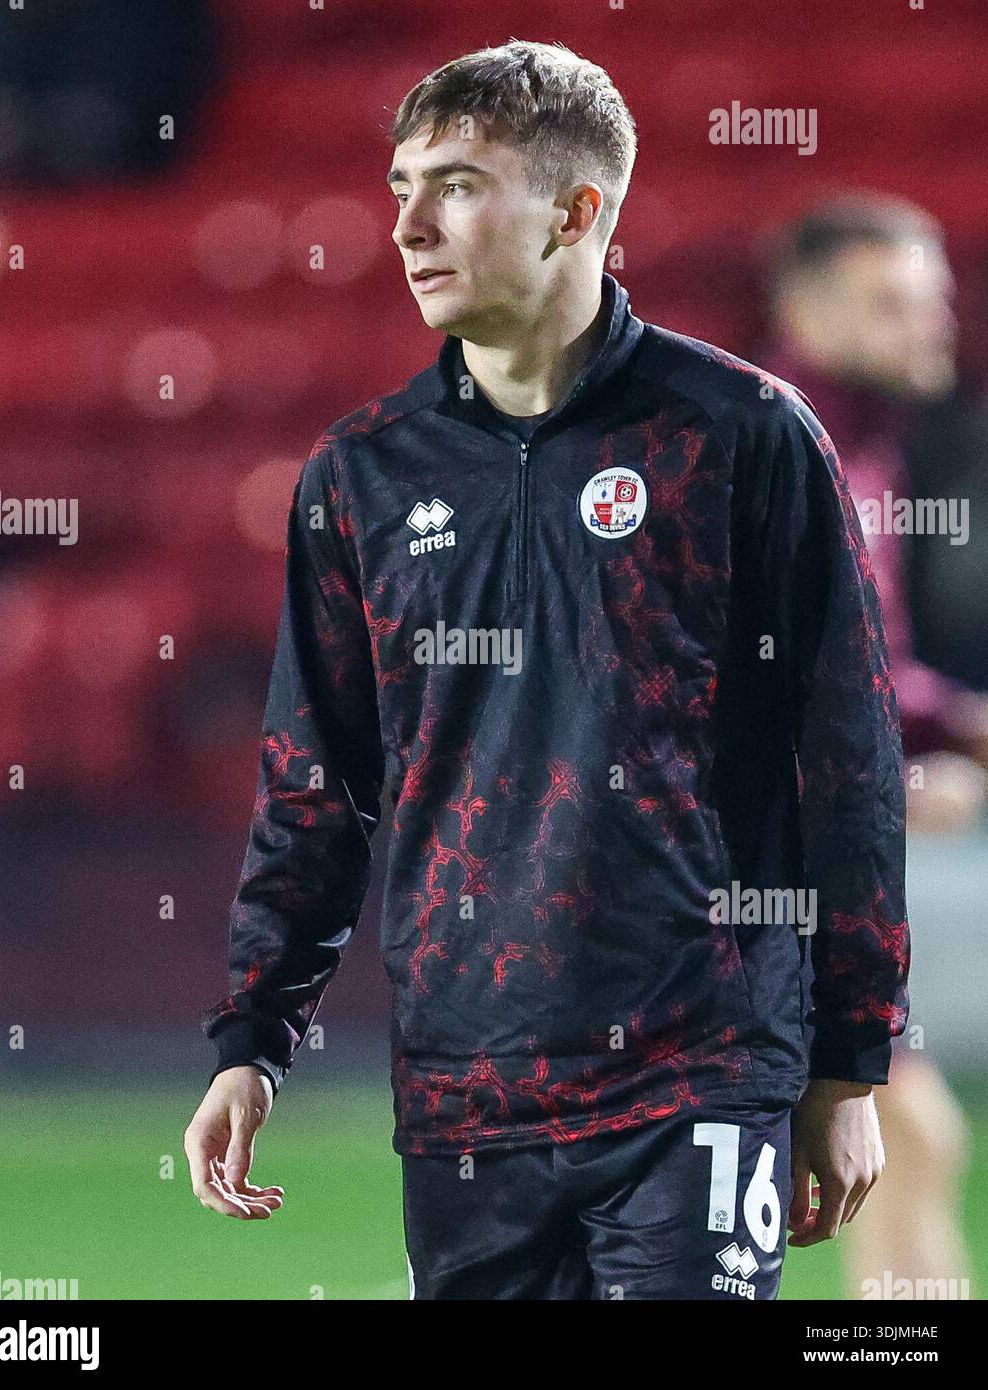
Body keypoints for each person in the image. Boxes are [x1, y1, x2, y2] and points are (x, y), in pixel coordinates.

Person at [185, 41, 909, 1301]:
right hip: (468, 1094)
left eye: (456, 184)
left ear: (577, 212)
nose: (407, 221)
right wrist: (254, 1037)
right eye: (401, 183)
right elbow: (317, 781)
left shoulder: (740, 437)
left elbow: (845, 754)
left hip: (699, 1067)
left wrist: (848, 1057)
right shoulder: (360, 475)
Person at [765, 194, 983, 1300]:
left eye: (931, 299)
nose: (929, 325)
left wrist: (952, 724)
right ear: (805, 309)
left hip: (788, 877)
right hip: (733, 883)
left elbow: (863, 658)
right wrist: (892, 779)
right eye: (891, 302)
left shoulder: (857, 444)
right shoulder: (772, 449)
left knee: (903, 1136)